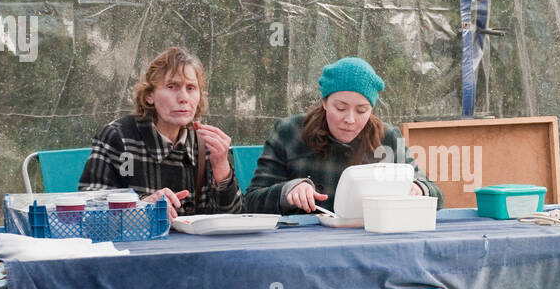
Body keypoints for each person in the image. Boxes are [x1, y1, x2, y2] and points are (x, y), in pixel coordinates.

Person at [244, 56, 442, 214]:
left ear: (371, 109)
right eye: (340, 108)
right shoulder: (290, 133)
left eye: (362, 110)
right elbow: (251, 202)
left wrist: (418, 189)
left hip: (368, 242)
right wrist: (288, 191)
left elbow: (436, 196)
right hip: (303, 245)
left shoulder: (387, 137)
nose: (350, 119)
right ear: (324, 102)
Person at [78, 46, 244, 217]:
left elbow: (234, 219)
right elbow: (88, 207)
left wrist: (222, 170)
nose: (183, 98)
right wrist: (142, 207)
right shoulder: (118, 137)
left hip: (195, 244)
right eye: (172, 86)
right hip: (135, 243)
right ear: (150, 95)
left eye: (191, 88)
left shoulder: (207, 144)